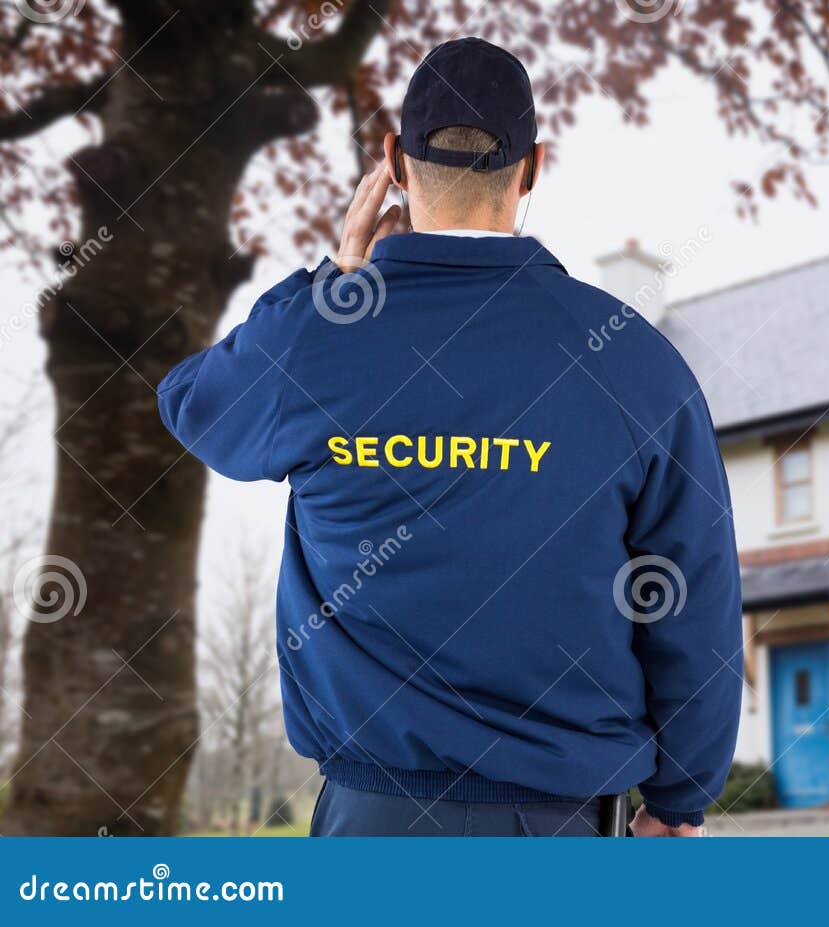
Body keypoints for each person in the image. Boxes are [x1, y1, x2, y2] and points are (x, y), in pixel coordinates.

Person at [157, 37, 742, 837]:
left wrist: (332, 282)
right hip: (561, 835)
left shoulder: (321, 343)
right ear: (532, 167)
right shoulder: (637, 364)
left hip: (369, 832)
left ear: (394, 162)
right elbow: (696, 604)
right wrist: (680, 803)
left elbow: (197, 406)